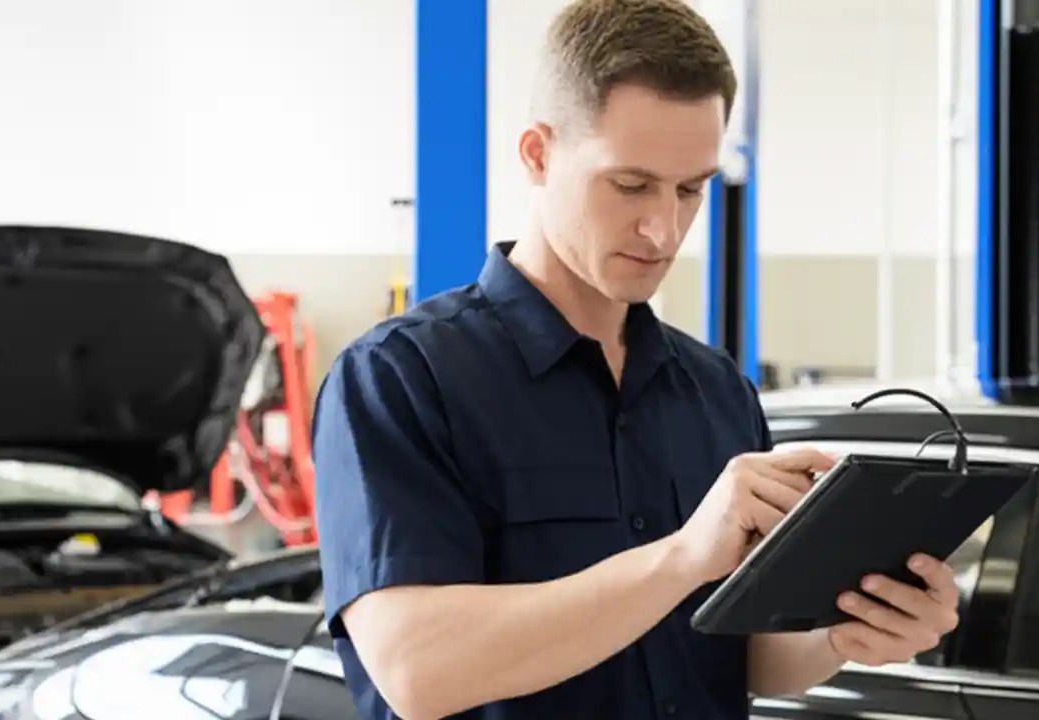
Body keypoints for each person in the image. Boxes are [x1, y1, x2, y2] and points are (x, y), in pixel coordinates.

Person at [311, 1, 961, 718]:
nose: (665, 228)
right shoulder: (401, 379)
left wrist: (849, 631)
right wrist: (682, 556)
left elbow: (749, 657)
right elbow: (417, 671)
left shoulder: (715, 390)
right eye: (630, 185)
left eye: (691, 189)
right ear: (537, 153)